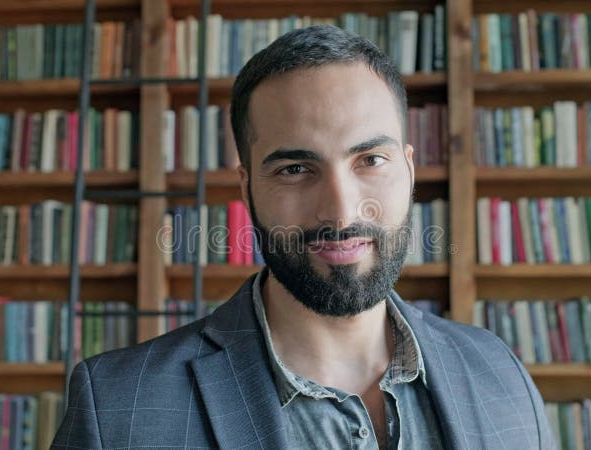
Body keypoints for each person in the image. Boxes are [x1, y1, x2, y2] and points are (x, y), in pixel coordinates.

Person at [52, 25, 556, 450]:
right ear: (247, 187)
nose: (340, 210)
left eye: (370, 160)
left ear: (408, 169)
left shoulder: (499, 371)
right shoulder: (116, 409)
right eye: (296, 168)